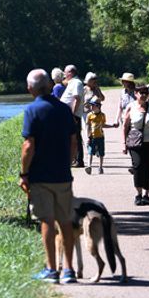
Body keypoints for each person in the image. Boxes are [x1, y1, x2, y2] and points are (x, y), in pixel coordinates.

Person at [19, 68, 80, 285]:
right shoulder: (64, 110)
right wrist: (68, 163)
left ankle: (51, 269)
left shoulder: (32, 110)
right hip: (62, 175)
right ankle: (69, 270)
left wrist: (24, 173)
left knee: (46, 221)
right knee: (65, 221)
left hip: (40, 177)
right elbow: (74, 141)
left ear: (30, 88)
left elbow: (28, 146)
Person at [121, 87, 149, 205]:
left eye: (145, 93)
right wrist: (124, 143)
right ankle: (138, 194)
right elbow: (125, 127)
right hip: (135, 142)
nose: (143, 95)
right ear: (136, 94)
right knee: (138, 166)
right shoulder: (131, 107)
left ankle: (146, 194)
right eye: (141, 93)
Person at [60, 65, 86, 167]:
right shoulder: (73, 83)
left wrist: (73, 115)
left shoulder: (77, 83)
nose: (64, 75)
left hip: (72, 115)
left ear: (70, 73)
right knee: (70, 138)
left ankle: (79, 161)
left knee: (75, 138)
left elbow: (77, 99)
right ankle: (74, 160)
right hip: (68, 115)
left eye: (65, 73)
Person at [84, 98, 107, 175]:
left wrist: (113, 126)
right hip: (92, 137)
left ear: (98, 106)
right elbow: (87, 126)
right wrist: (88, 136)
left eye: (93, 105)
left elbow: (103, 125)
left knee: (101, 152)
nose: (91, 107)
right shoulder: (89, 115)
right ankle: (89, 166)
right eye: (91, 105)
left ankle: (100, 167)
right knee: (90, 151)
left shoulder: (102, 115)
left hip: (100, 136)